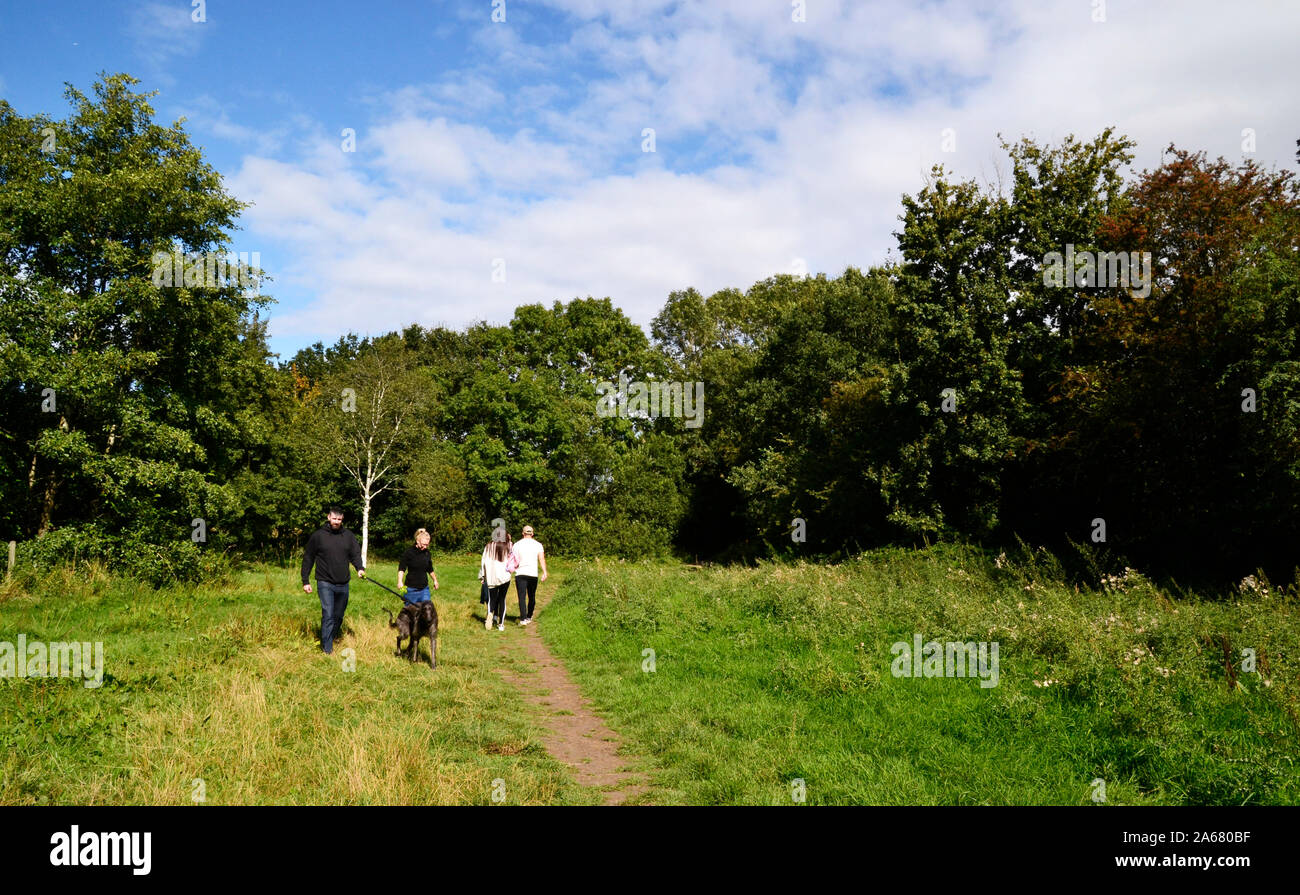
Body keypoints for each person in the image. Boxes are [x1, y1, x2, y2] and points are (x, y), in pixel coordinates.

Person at [301, 506, 365, 654]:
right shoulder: (318, 536)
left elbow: (355, 554)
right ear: (328, 517)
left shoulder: (348, 536)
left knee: (338, 615)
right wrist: (306, 580)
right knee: (328, 614)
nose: (336, 522)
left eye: (339, 519)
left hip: (343, 582)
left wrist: (359, 568)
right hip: (325, 582)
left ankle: (330, 636)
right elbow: (308, 558)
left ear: (342, 520)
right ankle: (327, 649)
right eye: (334, 519)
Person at [512, 524, 547, 626]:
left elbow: (514, 560)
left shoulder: (517, 545)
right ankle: (529, 616)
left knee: (521, 597)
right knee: (532, 596)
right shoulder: (538, 545)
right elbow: (541, 559)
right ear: (532, 533)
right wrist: (544, 571)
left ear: (523, 533)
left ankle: (523, 619)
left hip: (520, 573)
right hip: (533, 574)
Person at [478, 527, 512, 631]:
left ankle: (490, 615)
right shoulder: (509, 545)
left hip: (491, 576)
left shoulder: (488, 546)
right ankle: (501, 624)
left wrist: (482, 576)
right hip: (504, 577)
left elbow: (483, 562)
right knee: (502, 599)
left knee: (491, 600)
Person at [397, 528, 439, 604]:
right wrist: (400, 581)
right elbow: (402, 568)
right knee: (410, 612)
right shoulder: (409, 552)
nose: (425, 547)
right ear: (417, 541)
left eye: (427, 545)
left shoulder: (427, 553)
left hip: (424, 589)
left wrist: (435, 580)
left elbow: (430, 569)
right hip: (411, 589)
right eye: (424, 544)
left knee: (427, 609)